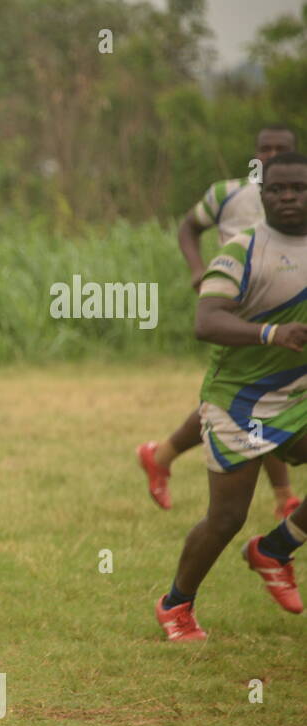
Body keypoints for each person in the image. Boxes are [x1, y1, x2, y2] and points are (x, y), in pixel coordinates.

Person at [155, 152, 307, 641]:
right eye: (278, 189)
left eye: (299, 188)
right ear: (262, 195)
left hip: (298, 394)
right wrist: (271, 334)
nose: (289, 197)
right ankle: (175, 604)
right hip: (239, 402)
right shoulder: (242, 250)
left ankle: (276, 548)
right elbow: (207, 321)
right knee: (226, 518)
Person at [140, 125, 300, 517]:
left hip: (283, 312)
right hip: (235, 313)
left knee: (255, 400)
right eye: (265, 148)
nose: (271, 155)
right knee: (236, 402)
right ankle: (282, 498)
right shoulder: (226, 194)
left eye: (282, 149)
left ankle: (161, 455)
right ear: (255, 153)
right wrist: (197, 270)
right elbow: (188, 227)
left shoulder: (296, 197)